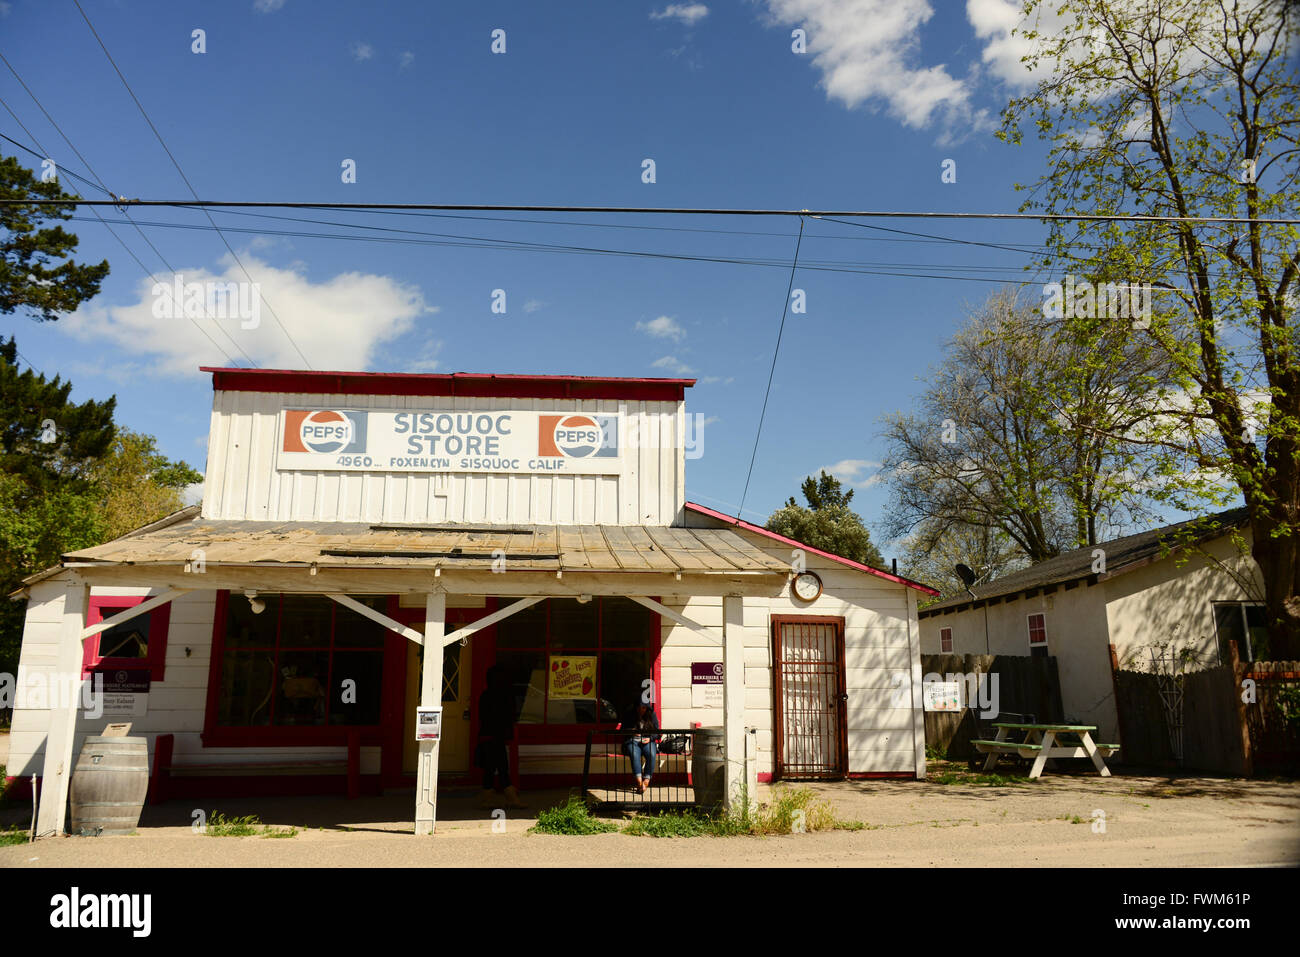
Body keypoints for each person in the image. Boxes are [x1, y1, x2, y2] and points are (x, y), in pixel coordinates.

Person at [477, 665, 525, 808]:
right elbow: (509, 717)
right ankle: (510, 798)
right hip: (497, 737)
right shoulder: (504, 696)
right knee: (501, 768)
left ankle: (488, 799)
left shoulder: (486, 695)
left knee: (490, 769)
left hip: (487, 736)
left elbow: (482, 717)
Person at [623, 699, 660, 793]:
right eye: (639, 707)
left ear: (647, 708)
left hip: (647, 740)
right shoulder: (630, 714)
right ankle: (639, 782)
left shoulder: (652, 715)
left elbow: (657, 732)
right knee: (634, 755)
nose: (641, 710)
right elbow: (623, 730)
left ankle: (646, 781)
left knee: (651, 753)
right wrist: (632, 732)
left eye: (643, 708)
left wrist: (650, 738)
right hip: (632, 740)